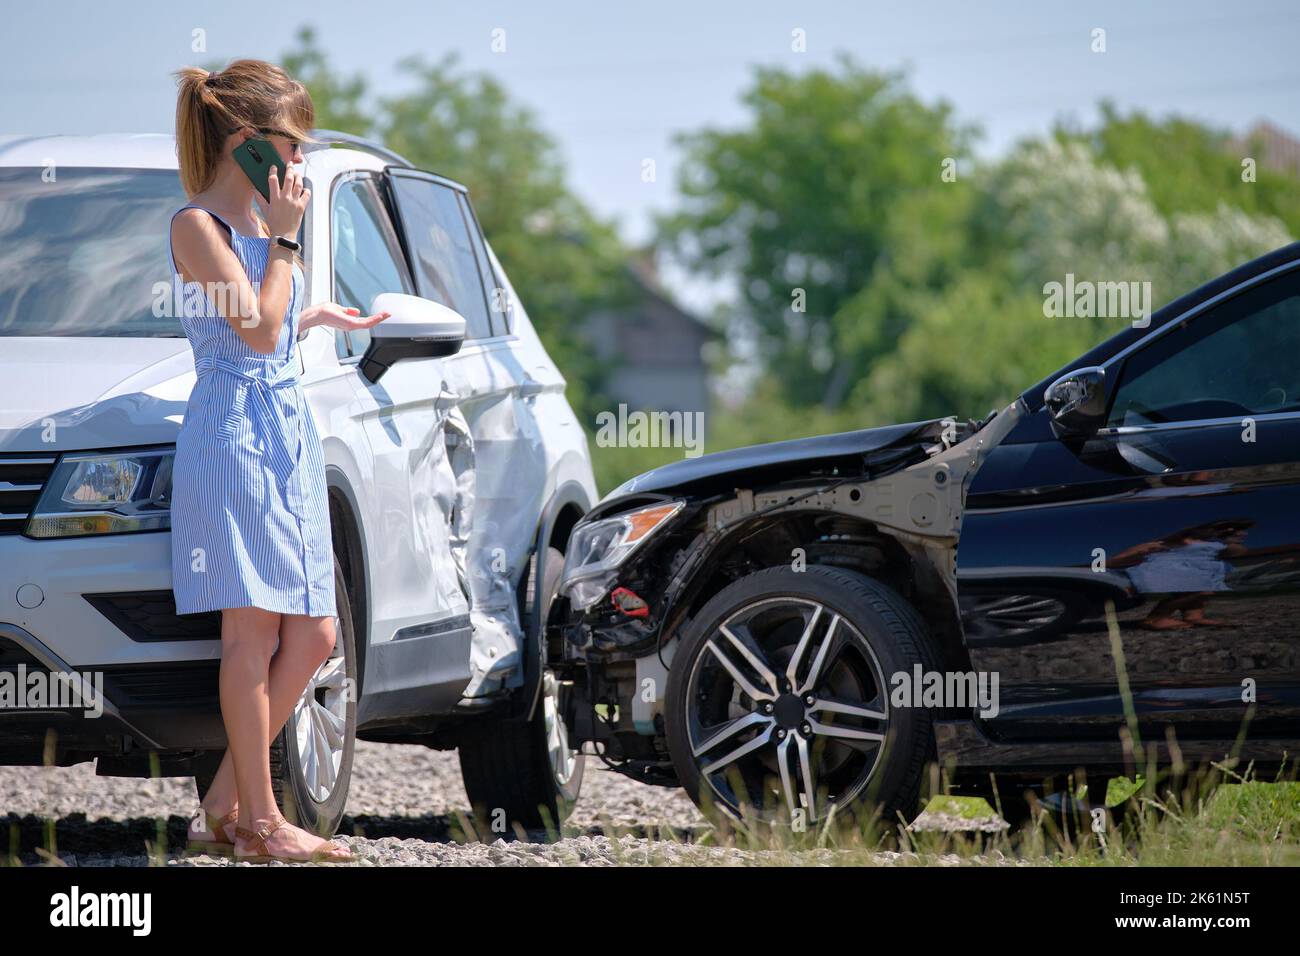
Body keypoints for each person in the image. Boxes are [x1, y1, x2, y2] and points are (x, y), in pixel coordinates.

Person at [168, 59, 388, 863]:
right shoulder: (198, 226)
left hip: (286, 429)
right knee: (252, 635)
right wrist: (290, 246)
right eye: (291, 145)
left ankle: (224, 801)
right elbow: (249, 334)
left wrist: (310, 313)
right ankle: (259, 825)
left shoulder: (262, 228)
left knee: (320, 631)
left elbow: (267, 329)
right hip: (232, 436)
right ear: (247, 141)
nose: (300, 162)